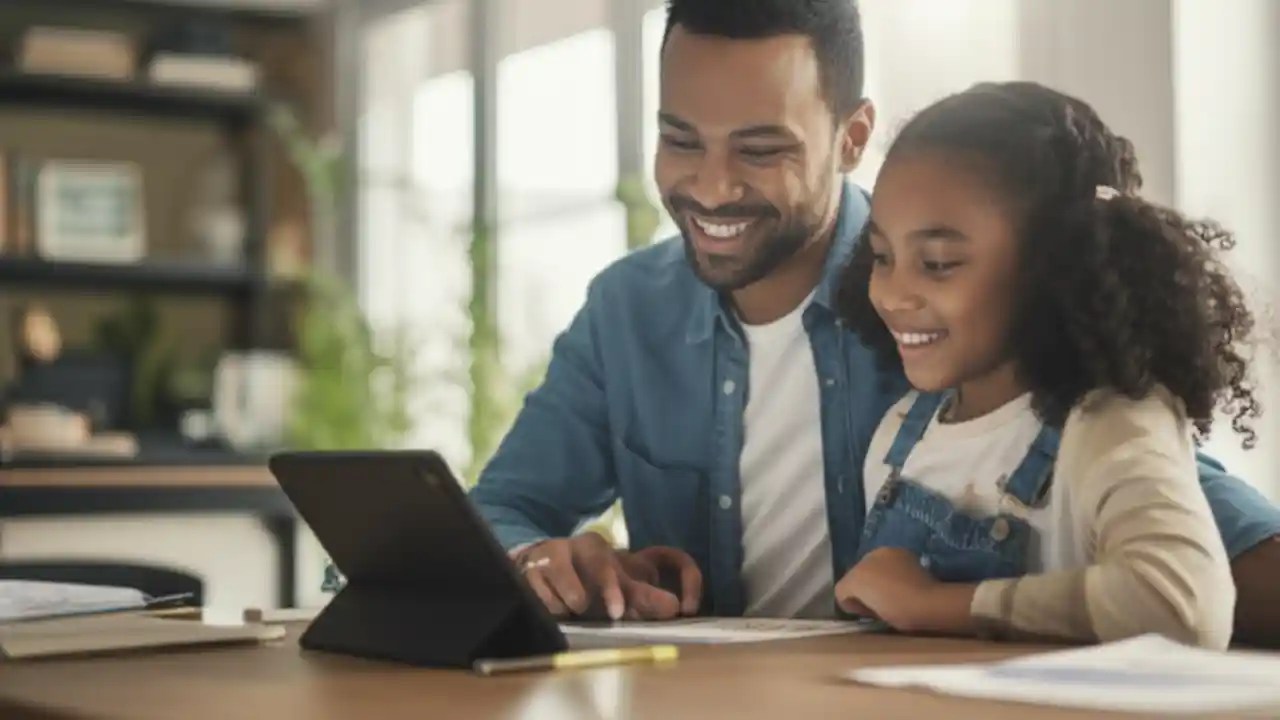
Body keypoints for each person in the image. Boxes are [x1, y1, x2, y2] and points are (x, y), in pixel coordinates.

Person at [468, 0, 1280, 645]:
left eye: (759, 150)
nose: (711, 188)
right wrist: (547, 562)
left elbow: (1187, 527)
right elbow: (498, 514)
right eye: (681, 140)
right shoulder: (627, 313)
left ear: (852, 137)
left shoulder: (968, 314)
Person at [831, 81, 1247, 647]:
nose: (894, 292)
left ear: (1054, 264)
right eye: (882, 256)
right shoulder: (900, 436)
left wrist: (937, 604)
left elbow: (1184, 606)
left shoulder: (1108, 421)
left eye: (938, 262)